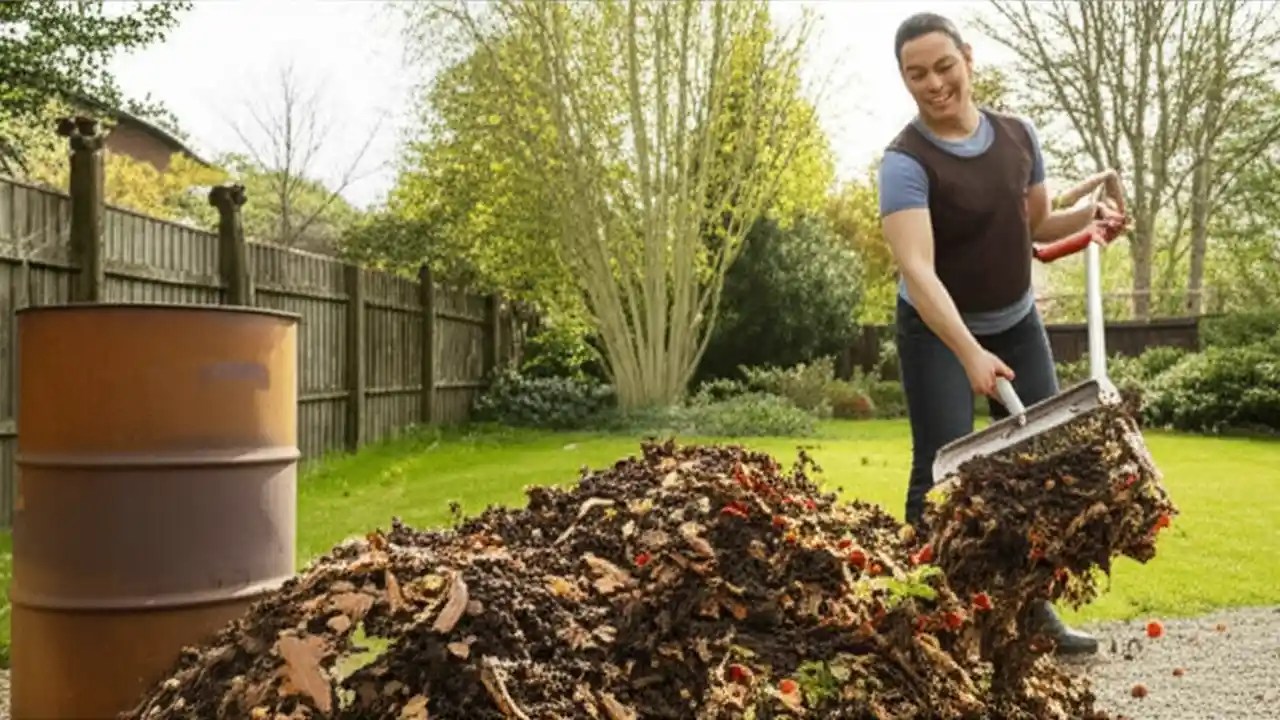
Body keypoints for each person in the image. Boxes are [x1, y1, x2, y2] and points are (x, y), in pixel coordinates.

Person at [877, 12, 1124, 656]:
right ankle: (925, 613)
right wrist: (968, 353)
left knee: (1035, 468)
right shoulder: (905, 163)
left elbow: (1038, 224)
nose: (933, 84)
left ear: (967, 58)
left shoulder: (1019, 135)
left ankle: (1031, 613)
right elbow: (918, 271)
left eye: (943, 66)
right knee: (942, 468)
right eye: (917, 74)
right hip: (937, 332)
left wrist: (1089, 216)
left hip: (1016, 320)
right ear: (905, 80)